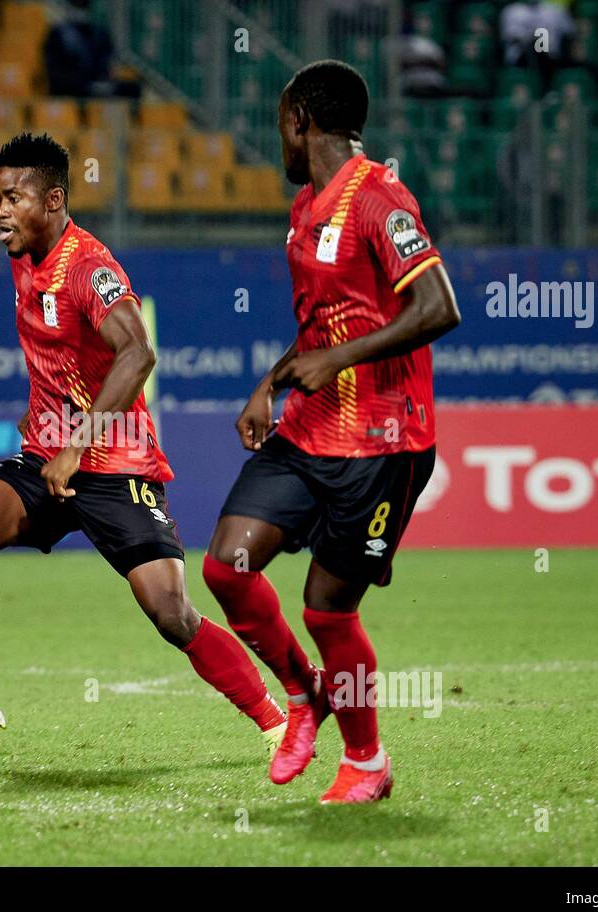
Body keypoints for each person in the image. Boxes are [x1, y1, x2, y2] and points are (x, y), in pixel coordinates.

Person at [0, 133, 295, 754]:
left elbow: (138, 352)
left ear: (53, 200)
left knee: (172, 615)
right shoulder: (24, 253)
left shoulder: (88, 268)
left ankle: (277, 721)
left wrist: (79, 441)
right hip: (47, 456)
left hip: (114, 462)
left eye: (12, 198)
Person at [202, 60, 461, 804]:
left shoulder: (381, 197)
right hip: (310, 428)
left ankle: (367, 762)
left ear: (298, 122)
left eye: (278, 126)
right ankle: (304, 696)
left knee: (325, 608)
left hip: (385, 443)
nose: (277, 141)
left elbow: (440, 308)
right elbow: (321, 327)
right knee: (227, 567)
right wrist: (271, 381)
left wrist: (338, 358)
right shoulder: (306, 207)